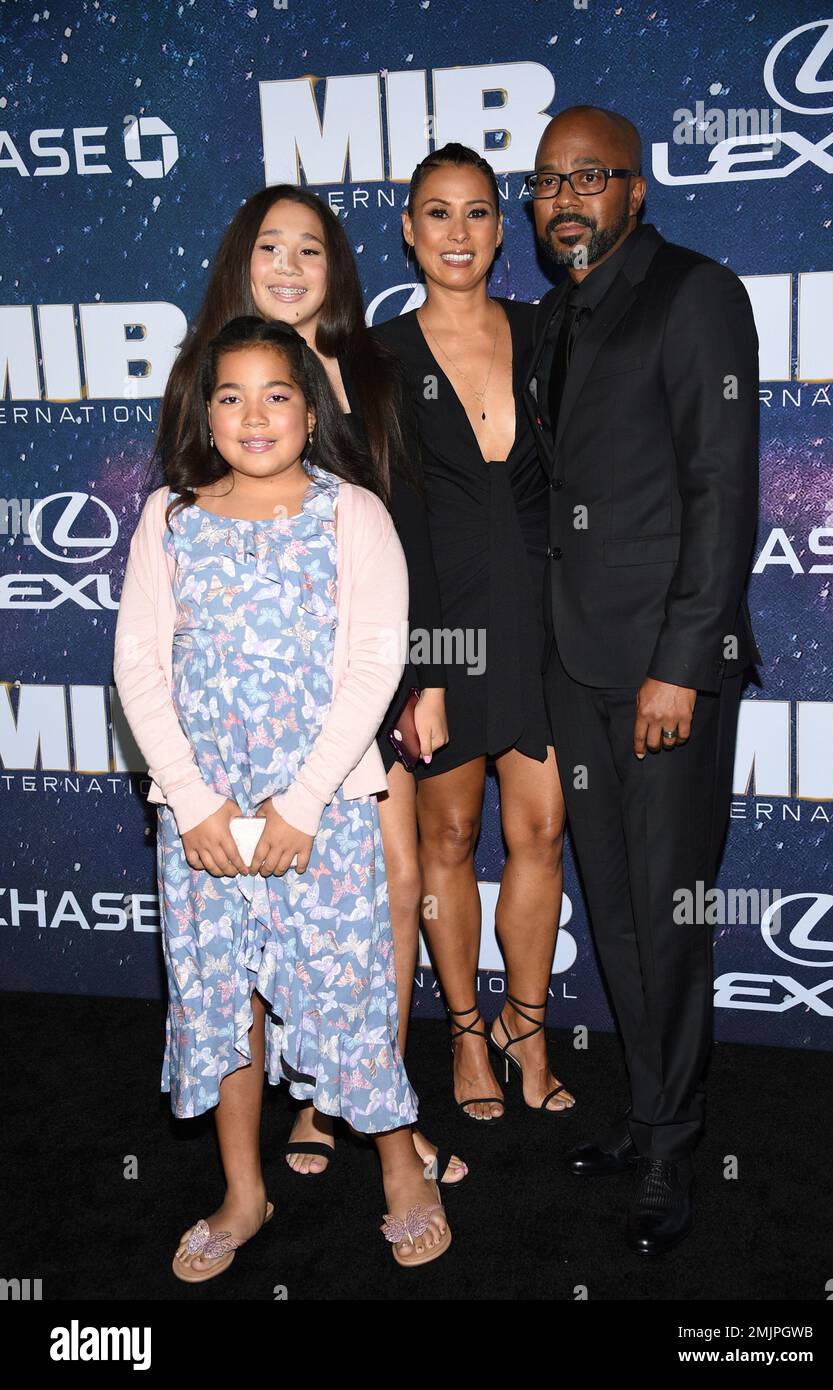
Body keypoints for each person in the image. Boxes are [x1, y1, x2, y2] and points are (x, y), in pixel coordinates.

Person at [114, 315, 452, 1271]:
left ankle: (399, 1168)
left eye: (276, 394)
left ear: (310, 410)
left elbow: (375, 662)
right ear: (203, 411)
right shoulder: (168, 520)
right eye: (230, 396)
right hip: (204, 820)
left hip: (324, 811)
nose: (253, 415)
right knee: (217, 999)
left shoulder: (353, 513)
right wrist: (191, 800)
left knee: (346, 994)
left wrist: (302, 805)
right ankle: (243, 1193)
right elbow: (137, 666)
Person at [153, 184, 466, 1186]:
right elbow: (165, 598)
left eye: (311, 250)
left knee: (385, 893)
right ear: (241, 260)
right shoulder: (207, 388)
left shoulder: (372, 368)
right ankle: (310, 1119)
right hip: (226, 724)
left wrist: (420, 678)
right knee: (243, 937)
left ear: (335, 271)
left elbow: (403, 526)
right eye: (269, 247)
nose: (288, 266)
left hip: (354, 688)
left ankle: (374, 1106)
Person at [526, 106, 761, 1254]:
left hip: (662, 672)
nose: (564, 200)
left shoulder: (694, 294)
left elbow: (722, 491)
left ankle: (673, 1147)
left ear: (634, 188)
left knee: (670, 913)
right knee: (613, 909)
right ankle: (645, 1110)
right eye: (547, 184)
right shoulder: (559, 316)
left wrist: (682, 662)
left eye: (588, 178)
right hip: (575, 666)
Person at [375, 144, 574, 1122]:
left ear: (504, 228)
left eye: (478, 213)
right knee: (447, 834)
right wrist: (421, 666)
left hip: (543, 620)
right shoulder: (379, 359)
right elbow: (388, 525)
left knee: (540, 829)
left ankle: (525, 1028)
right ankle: (463, 1035)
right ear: (408, 230)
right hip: (442, 628)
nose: (458, 233)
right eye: (437, 213)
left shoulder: (548, 333)